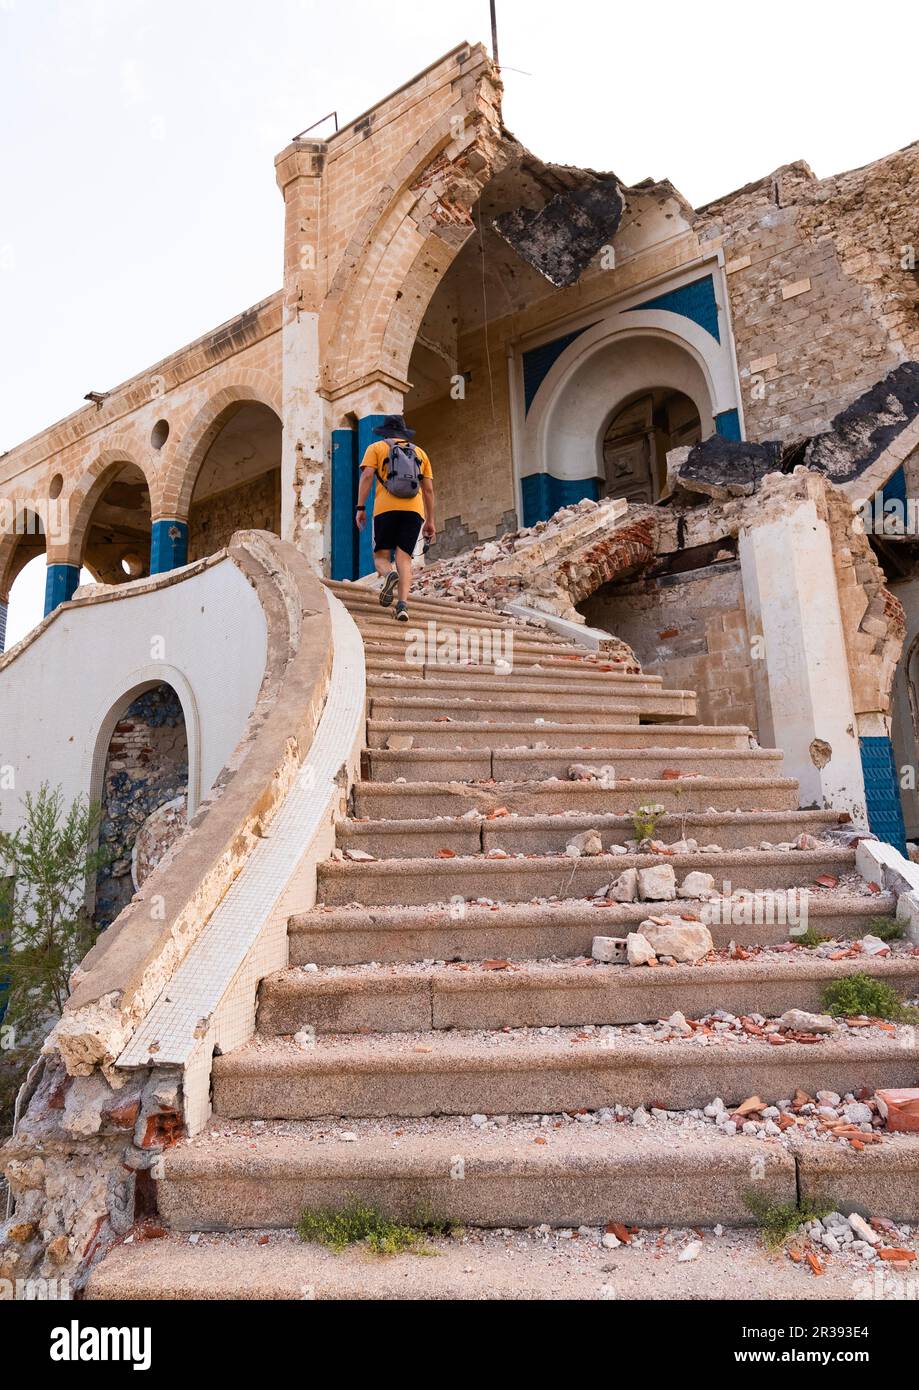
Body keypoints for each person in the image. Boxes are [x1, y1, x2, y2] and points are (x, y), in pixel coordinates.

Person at [355, 413, 435, 622]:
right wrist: (430, 521)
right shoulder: (420, 453)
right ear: (403, 433)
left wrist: (360, 507)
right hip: (414, 511)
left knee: (381, 556)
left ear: (385, 432)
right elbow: (428, 490)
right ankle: (402, 606)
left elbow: (366, 476)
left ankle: (388, 574)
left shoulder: (376, 448)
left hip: (385, 510)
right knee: (405, 559)